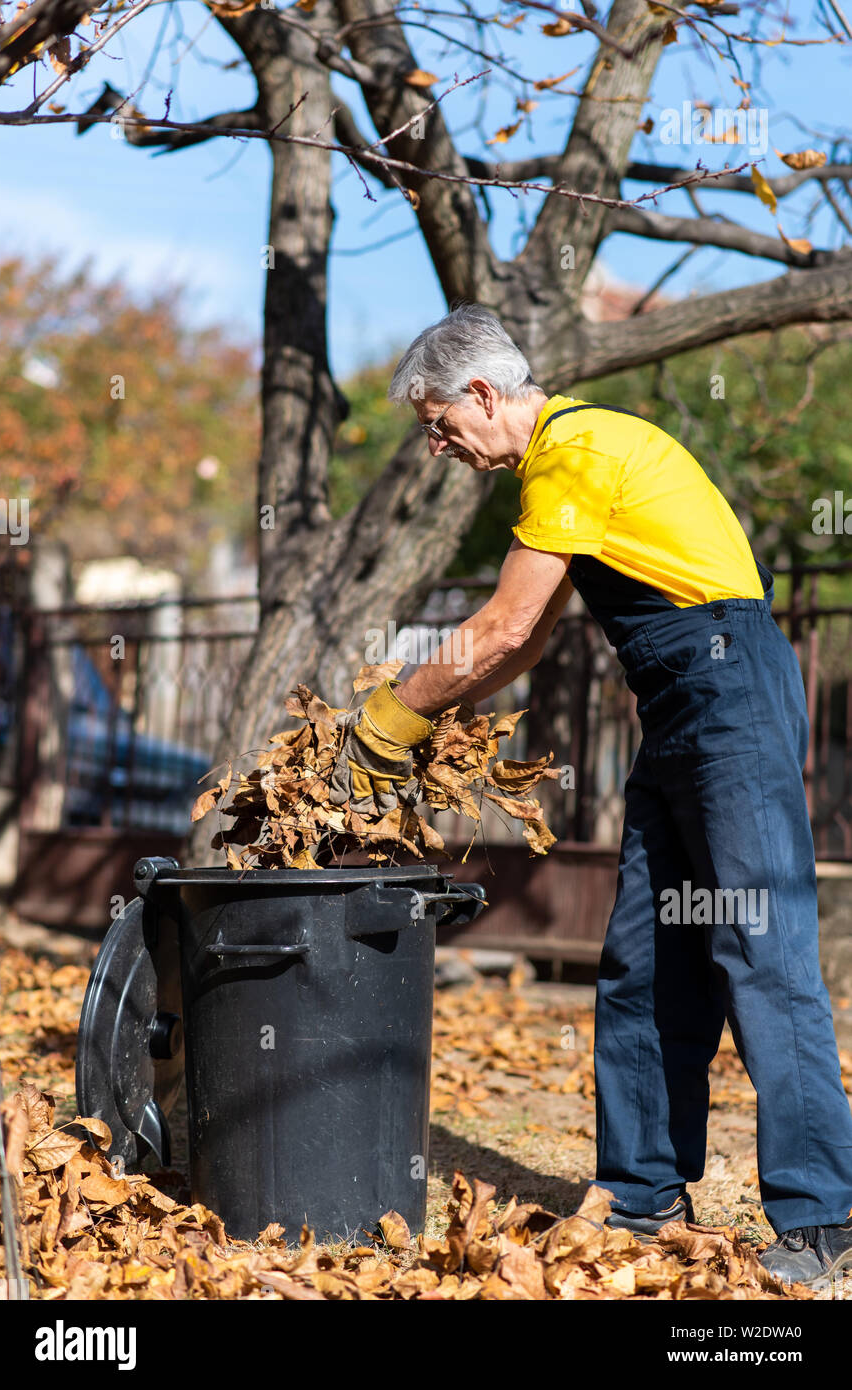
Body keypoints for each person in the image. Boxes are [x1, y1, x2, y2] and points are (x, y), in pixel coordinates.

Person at [330, 303, 852, 1290]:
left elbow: (503, 626)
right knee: (646, 958)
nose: (440, 447)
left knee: (760, 946)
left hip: (726, 690)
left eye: (440, 424)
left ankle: (822, 1220)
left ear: (483, 393)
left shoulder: (574, 448)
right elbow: (523, 639)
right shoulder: (588, 447)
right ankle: (644, 1198)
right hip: (689, 702)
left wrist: (387, 721)